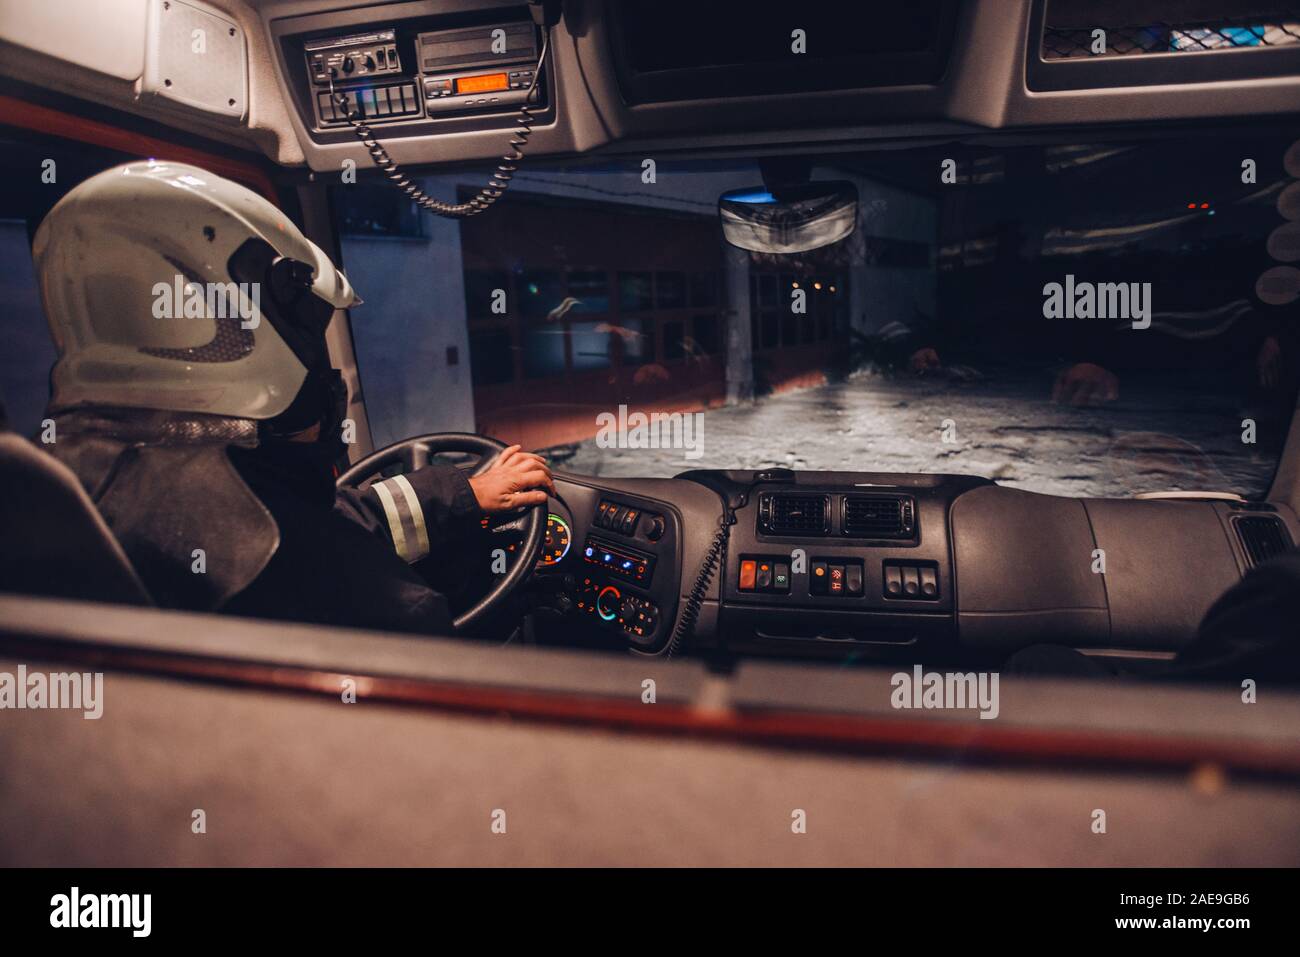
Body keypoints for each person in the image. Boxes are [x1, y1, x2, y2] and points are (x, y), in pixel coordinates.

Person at [32, 159, 553, 635]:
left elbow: (324, 520)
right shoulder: (380, 605)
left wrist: (461, 495)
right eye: (311, 336)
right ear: (259, 323)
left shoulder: (57, 477)